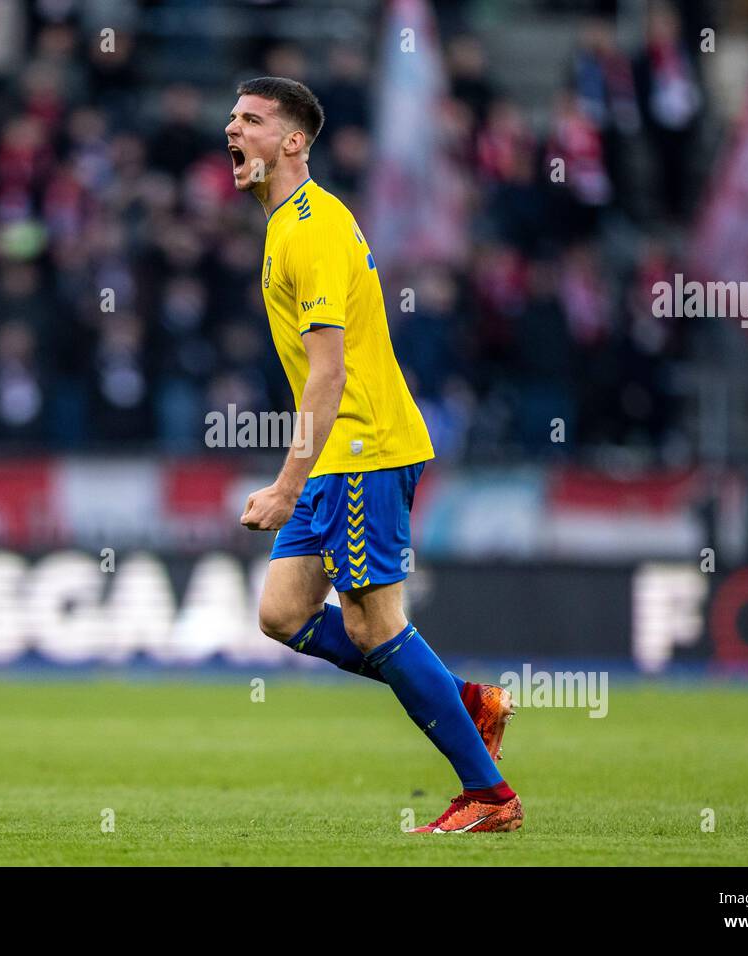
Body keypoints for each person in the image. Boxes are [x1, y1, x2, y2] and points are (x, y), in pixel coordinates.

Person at [225, 77, 522, 833]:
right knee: (284, 611)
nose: (233, 130)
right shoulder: (286, 225)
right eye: (232, 117)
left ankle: (487, 797)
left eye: (252, 120)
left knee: (374, 626)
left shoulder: (314, 228)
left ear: (294, 141)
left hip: (362, 448)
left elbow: (330, 372)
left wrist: (287, 485)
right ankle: (463, 699)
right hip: (337, 452)